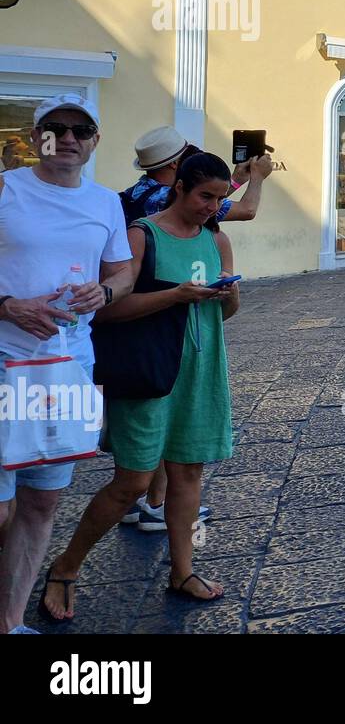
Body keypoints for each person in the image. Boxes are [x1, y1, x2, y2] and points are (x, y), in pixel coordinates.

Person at [41, 151, 240, 620]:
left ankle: (182, 571)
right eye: (204, 196)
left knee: (189, 473)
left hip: (200, 369)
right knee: (130, 482)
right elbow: (107, 311)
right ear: (180, 188)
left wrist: (228, 296)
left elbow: (225, 316)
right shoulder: (141, 235)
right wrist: (176, 295)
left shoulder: (218, 239)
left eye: (219, 198)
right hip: (149, 370)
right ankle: (65, 566)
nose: (211, 207)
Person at [0, 93, 135, 634]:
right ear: (36, 139)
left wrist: (105, 292)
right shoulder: (6, 191)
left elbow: (122, 271)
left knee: (41, 502)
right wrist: (7, 307)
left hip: (69, 368)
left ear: (95, 141)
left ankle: (8, 623)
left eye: (83, 130)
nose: (70, 138)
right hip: (5, 364)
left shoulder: (105, 203)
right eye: (56, 128)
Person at [116, 127, 272, 531]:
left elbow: (207, 197)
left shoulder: (134, 195)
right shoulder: (159, 210)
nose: (212, 203)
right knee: (171, 418)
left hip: (143, 334)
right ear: (175, 170)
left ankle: (151, 501)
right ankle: (153, 502)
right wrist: (255, 179)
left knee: (167, 429)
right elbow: (241, 211)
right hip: (165, 322)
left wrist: (231, 179)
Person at [121, 126, 273, 224]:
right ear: (174, 164)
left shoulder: (136, 192)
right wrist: (258, 176)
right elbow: (247, 210)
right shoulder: (166, 197)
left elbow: (207, 199)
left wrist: (237, 180)